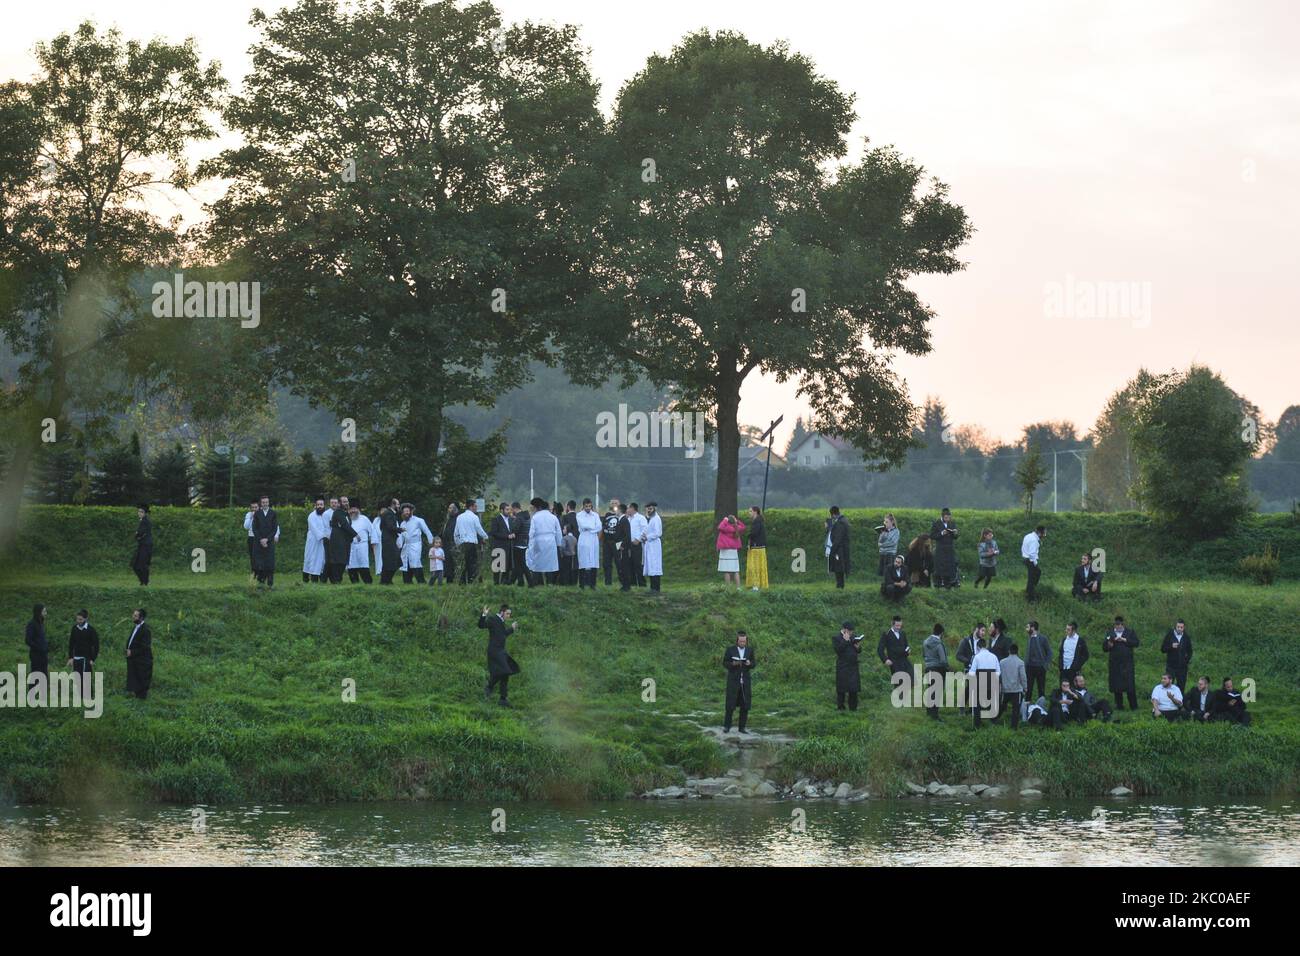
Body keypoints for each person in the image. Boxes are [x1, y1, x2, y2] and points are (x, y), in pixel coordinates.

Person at [478, 604, 519, 707]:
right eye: (507, 614)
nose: (509, 616)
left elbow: (503, 634)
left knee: (506, 672)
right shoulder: (493, 619)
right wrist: (484, 614)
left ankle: (503, 699)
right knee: (505, 671)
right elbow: (481, 625)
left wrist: (512, 629)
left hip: (501, 651)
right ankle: (489, 687)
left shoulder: (501, 621)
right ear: (502, 612)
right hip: (494, 651)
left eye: (510, 614)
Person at [1102, 615, 1140, 710]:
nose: (1117, 626)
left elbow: (1136, 643)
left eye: (1119, 624)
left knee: (1130, 686)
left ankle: (1133, 706)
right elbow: (1104, 648)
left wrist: (1125, 640)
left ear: (1123, 624)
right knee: (1116, 686)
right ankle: (1119, 706)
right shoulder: (1110, 633)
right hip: (1114, 664)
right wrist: (1109, 645)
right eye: (1116, 624)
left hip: (1127, 664)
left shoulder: (1130, 632)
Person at [723, 631, 756, 733]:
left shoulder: (749, 650)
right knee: (730, 705)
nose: (742, 643)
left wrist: (749, 663)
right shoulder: (730, 650)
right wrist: (734, 663)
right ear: (737, 641)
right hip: (733, 681)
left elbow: (754, 663)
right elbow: (725, 663)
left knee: (745, 705)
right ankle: (727, 727)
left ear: (746, 641)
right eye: (741, 641)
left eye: (744, 641)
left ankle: (742, 728)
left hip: (745, 682)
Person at [525, 497, 562, 585]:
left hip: (539, 541)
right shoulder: (553, 517)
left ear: (538, 507)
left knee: (537, 563)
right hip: (551, 541)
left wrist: (530, 544)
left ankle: (535, 583)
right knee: (549, 564)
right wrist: (559, 544)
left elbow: (531, 532)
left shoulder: (535, 517)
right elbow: (558, 532)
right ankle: (550, 583)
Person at [454, 499, 489, 584]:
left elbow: (456, 532)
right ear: (471, 506)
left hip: (462, 543)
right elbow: (479, 529)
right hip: (471, 543)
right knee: (472, 563)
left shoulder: (459, 517)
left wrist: (457, 543)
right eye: (475, 506)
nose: (476, 507)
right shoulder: (474, 517)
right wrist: (486, 536)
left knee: (463, 563)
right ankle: (471, 580)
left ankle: (462, 582)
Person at [967, 638, 1001, 727]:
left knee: (977, 703)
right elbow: (998, 672)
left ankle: (977, 724)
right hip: (992, 681)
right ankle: (993, 721)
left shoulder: (977, 657)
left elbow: (972, 672)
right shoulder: (994, 656)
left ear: (978, 647)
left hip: (980, 681)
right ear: (986, 646)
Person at [399, 503, 433, 584]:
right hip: (406, 545)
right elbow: (401, 536)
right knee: (405, 562)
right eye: (404, 511)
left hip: (416, 545)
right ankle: (407, 581)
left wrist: (431, 542)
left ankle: (421, 581)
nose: (406, 513)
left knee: (415, 561)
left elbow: (426, 530)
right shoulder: (402, 523)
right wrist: (399, 545)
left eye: (407, 511)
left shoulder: (418, 520)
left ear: (411, 511)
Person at [832, 621, 863, 711]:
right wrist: (845, 641)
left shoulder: (853, 637)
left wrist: (858, 647)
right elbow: (838, 650)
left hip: (853, 666)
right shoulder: (836, 638)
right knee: (841, 688)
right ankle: (840, 707)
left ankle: (853, 708)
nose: (851, 633)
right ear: (845, 630)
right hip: (843, 666)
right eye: (850, 631)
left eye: (852, 631)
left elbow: (859, 650)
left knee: (853, 688)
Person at [251, 496, 280, 588]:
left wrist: (267, 539)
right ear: (261, 503)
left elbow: (275, 528)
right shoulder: (257, 514)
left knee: (269, 563)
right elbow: (254, 528)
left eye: (266, 502)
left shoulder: (273, 513)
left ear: (268, 503)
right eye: (263, 502)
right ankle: (261, 583)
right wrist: (261, 539)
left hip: (269, 542)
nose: (265, 504)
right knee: (260, 563)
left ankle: (270, 583)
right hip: (259, 542)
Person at [326, 497, 356, 584]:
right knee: (337, 561)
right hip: (337, 541)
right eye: (344, 502)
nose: (346, 503)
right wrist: (355, 534)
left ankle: (338, 579)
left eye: (347, 501)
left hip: (345, 541)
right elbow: (345, 525)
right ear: (339, 503)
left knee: (343, 561)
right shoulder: (338, 513)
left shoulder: (345, 513)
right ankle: (336, 580)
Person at [66, 608, 99, 688]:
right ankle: (79, 696)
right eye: (77, 619)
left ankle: (88, 697)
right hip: (76, 658)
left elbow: (96, 646)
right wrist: (70, 657)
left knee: (86, 678)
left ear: (85, 619)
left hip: (87, 658)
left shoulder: (91, 630)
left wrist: (92, 659)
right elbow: (71, 644)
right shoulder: (74, 629)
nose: (78, 621)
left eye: (80, 619)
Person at [922, 624, 948, 719]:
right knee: (937, 693)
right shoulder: (939, 644)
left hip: (928, 668)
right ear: (941, 633)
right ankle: (935, 715)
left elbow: (924, 654)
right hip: (938, 669)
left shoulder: (925, 642)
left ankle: (929, 712)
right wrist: (947, 668)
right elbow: (943, 660)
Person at [125, 608, 152, 700]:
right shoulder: (136, 627)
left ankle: (141, 699)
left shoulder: (145, 630)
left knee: (141, 678)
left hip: (142, 660)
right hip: (135, 658)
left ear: (141, 618)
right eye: (133, 615)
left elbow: (145, 647)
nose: (133, 617)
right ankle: (137, 697)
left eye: (135, 616)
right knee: (135, 677)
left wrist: (132, 652)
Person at [877, 615, 914, 683]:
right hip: (894, 662)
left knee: (910, 679)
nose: (899, 627)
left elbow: (906, 646)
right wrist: (885, 660)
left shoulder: (902, 633)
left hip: (904, 661)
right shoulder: (886, 634)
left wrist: (908, 651)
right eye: (897, 626)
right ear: (892, 624)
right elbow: (880, 649)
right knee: (898, 684)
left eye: (900, 625)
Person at [929, 508, 959, 588]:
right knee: (939, 565)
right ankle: (938, 583)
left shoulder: (952, 523)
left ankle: (948, 583)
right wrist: (942, 533)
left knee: (949, 565)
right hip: (940, 547)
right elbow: (932, 535)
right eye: (946, 518)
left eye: (949, 517)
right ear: (942, 516)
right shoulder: (936, 523)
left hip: (950, 547)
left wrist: (955, 533)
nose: (947, 519)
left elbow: (955, 537)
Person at [1000, 642, 1027, 729]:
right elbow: (1023, 676)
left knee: (1002, 705)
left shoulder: (1002, 662)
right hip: (1016, 690)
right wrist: (1025, 687)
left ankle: (994, 718)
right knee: (1015, 709)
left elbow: (1000, 676)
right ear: (1017, 651)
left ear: (1009, 651)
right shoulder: (1020, 662)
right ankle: (1013, 727)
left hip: (1005, 689)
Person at [1160, 620, 1193, 691]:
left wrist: (1186, 661)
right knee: (1167, 685)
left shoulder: (1186, 637)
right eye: (1178, 627)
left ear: (1184, 628)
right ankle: (1166, 701)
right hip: (1171, 666)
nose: (1179, 629)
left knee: (1181, 687)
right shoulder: (1170, 635)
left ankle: (1179, 701)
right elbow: (1163, 649)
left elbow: (1190, 651)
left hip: (1182, 668)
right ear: (1175, 627)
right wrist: (1171, 646)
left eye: (1181, 627)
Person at [1024, 620, 1052, 702]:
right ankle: (1027, 706)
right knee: (1028, 689)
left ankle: (1041, 707)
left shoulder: (1043, 638)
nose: (1026, 629)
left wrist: (1045, 665)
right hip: (1029, 667)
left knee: (1041, 688)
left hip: (1040, 667)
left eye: (1028, 627)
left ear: (1033, 628)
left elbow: (1049, 652)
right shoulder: (1029, 638)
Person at [489, 502, 517, 585]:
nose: (509, 511)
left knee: (507, 567)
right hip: (499, 546)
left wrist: (513, 534)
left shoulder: (511, 519)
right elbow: (494, 533)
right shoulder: (496, 519)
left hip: (509, 546)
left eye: (509, 509)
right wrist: (507, 536)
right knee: (497, 567)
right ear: (501, 510)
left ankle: (504, 583)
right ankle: (496, 584)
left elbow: (512, 530)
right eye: (507, 509)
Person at [576, 499, 601, 589]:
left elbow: (599, 526)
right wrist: (592, 527)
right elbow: (583, 526)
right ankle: (582, 584)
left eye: (589, 506)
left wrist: (591, 529)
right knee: (583, 561)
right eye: (586, 506)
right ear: (583, 506)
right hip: (584, 538)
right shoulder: (579, 515)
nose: (588, 508)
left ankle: (593, 584)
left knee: (594, 561)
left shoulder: (595, 515)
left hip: (593, 539)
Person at [303, 498, 329, 583]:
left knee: (322, 560)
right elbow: (314, 529)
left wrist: (328, 535)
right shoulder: (311, 516)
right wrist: (323, 536)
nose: (320, 506)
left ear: (324, 505)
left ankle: (321, 578)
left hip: (323, 542)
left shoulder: (326, 515)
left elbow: (328, 527)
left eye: (321, 505)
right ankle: (307, 578)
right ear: (315, 506)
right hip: (313, 542)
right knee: (311, 559)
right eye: (318, 505)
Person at [716, 513, 745, 588]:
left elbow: (720, 527)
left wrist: (725, 520)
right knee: (735, 570)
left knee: (726, 570)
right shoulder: (736, 528)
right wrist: (737, 521)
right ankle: (738, 588)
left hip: (726, 551)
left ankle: (728, 588)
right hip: (734, 551)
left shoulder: (726, 528)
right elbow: (743, 526)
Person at [346, 505, 373, 583]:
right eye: (351, 509)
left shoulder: (364, 519)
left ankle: (368, 582)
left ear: (358, 509)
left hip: (362, 545)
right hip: (351, 546)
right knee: (351, 565)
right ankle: (355, 583)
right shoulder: (347, 519)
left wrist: (372, 541)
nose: (353, 511)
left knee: (363, 564)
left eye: (355, 508)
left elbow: (371, 530)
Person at [378, 498, 403, 585]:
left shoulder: (389, 513)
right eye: (398, 504)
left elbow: (382, 527)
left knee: (393, 560)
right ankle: (385, 581)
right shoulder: (389, 513)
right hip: (389, 541)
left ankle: (386, 580)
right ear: (393, 505)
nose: (399, 506)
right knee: (392, 560)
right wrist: (400, 529)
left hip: (389, 540)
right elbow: (390, 526)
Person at [826, 506, 851, 589]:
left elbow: (837, 539)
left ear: (833, 514)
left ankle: (840, 586)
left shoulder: (840, 523)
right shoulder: (844, 521)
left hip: (839, 550)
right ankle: (840, 586)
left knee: (838, 569)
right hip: (842, 549)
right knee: (840, 568)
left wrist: (832, 550)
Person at [745, 506, 769, 591]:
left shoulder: (757, 521)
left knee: (754, 567)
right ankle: (760, 584)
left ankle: (756, 585)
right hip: (760, 547)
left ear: (755, 512)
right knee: (759, 566)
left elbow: (754, 533)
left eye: (750, 511)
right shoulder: (759, 521)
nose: (749, 513)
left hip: (756, 547)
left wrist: (748, 536)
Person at [642, 502, 664, 592]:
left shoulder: (656, 519)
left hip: (654, 545)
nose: (649, 510)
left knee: (655, 566)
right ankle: (652, 587)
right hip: (649, 545)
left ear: (654, 509)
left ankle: (656, 588)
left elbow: (658, 533)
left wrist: (648, 537)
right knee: (650, 566)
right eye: (647, 509)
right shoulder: (650, 519)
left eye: (650, 509)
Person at [1059, 621, 1089, 686]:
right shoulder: (1064, 640)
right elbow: (1061, 653)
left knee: (1073, 688)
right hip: (1063, 668)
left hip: (1073, 670)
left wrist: (1077, 666)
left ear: (1074, 630)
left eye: (1068, 630)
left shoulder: (1080, 641)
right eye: (1066, 629)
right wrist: (1060, 665)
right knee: (1062, 688)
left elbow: (1086, 655)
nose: (1066, 631)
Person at [25, 603, 49, 685]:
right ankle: (31, 694)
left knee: (44, 674)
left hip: (43, 654)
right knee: (35, 674)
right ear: (39, 612)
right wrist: (39, 648)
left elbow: (41, 639)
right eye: (44, 611)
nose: (46, 613)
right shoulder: (32, 624)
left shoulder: (41, 623)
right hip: (36, 655)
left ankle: (42, 694)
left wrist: (45, 647)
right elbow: (28, 640)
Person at [601, 498, 622, 586]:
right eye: (612, 503)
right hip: (607, 542)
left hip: (617, 542)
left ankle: (622, 582)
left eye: (615, 503)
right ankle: (608, 583)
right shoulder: (607, 515)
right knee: (607, 563)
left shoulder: (620, 515)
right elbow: (603, 527)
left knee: (619, 563)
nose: (614, 504)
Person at [1021, 524, 1045, 600]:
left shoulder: (1028, 535)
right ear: (1039, 533)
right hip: (1030, 560)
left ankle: (1030, 590)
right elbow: (1032, 554)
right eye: (1044, 533)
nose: (1044, 535)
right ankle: (1030, 595)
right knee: (1033, 577)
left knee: (1036, 573)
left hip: (1025, 558)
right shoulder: (1034, 540)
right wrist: (1035, 563)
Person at [627, 503, 648, 587]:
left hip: (637, 544)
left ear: (633, 508)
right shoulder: (628, 519)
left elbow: (645, 529)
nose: (627, 510)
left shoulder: (641, 518)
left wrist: (638, 539)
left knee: (637, 564)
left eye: (628, 508)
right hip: (629, 544)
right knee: (630, 564)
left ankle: (642, 583)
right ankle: (633, 583)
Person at [132, 505, 153, 585]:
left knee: (141, 565)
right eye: (139, 511)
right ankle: (143, 581)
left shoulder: (145, 521)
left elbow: (140, 533)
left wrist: (137, 534)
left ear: (145, 513)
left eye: (141, 512)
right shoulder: (143, 521)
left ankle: (145, 582)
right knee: (136, 565)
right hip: (143, 545)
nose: (139, 513)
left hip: (146, 545)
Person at [440, 502, 460, 586]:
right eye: (449, 508)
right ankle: (449, 579)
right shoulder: (448, 518)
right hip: (446, 544)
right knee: (448, 562)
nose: (449, 509)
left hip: (454, 543)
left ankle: (456, 579)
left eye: (451, 508)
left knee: (454, 562)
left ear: (455, 509)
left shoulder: (458, 518)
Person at [561, 501, 580, 586]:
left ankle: (567, 582)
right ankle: (574, 581)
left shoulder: (565, 517)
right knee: (575, 562)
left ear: (568, 507)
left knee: (567, 563)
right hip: (577, 541)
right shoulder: (578, 517)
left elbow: (564, 530)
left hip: (567, 542)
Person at [243, 500, 260, 581]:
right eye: (252, 508)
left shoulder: (262, 514)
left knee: (260, 556)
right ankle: (254, 573)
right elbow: (246, 527)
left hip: (260, 538)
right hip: (251, 538)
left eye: (256, 507)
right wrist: (251, 517)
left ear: (258, 507)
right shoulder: (248, 515)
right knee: (252, 557)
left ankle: (260, 573)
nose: (254, 509)